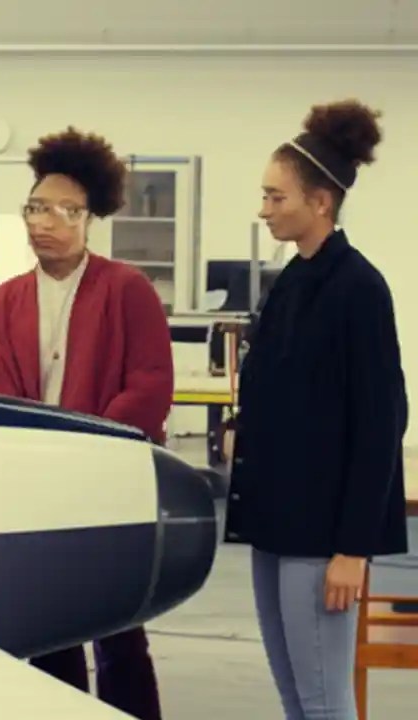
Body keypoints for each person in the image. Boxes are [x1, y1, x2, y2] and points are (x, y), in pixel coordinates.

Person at [0, 127, 173, 720]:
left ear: (90, 218)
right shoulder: (6, 299)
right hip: (37, 493)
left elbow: (149, 388)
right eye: (35, 207)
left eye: (64, 210)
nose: (45, 221)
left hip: (114, 489)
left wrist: (89, 454)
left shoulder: (127, 288)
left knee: (120, 637)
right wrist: (42, 464)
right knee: (52, 633)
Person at [225, 99, 408, 720]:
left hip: (322, 538)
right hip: (275, 524)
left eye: (277, 197)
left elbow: (382, 423)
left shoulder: (359, 288)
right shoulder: (293, 282)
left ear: (320, 202)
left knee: (325, 702)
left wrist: (353, 549)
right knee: (296, 697)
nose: (264, 209)